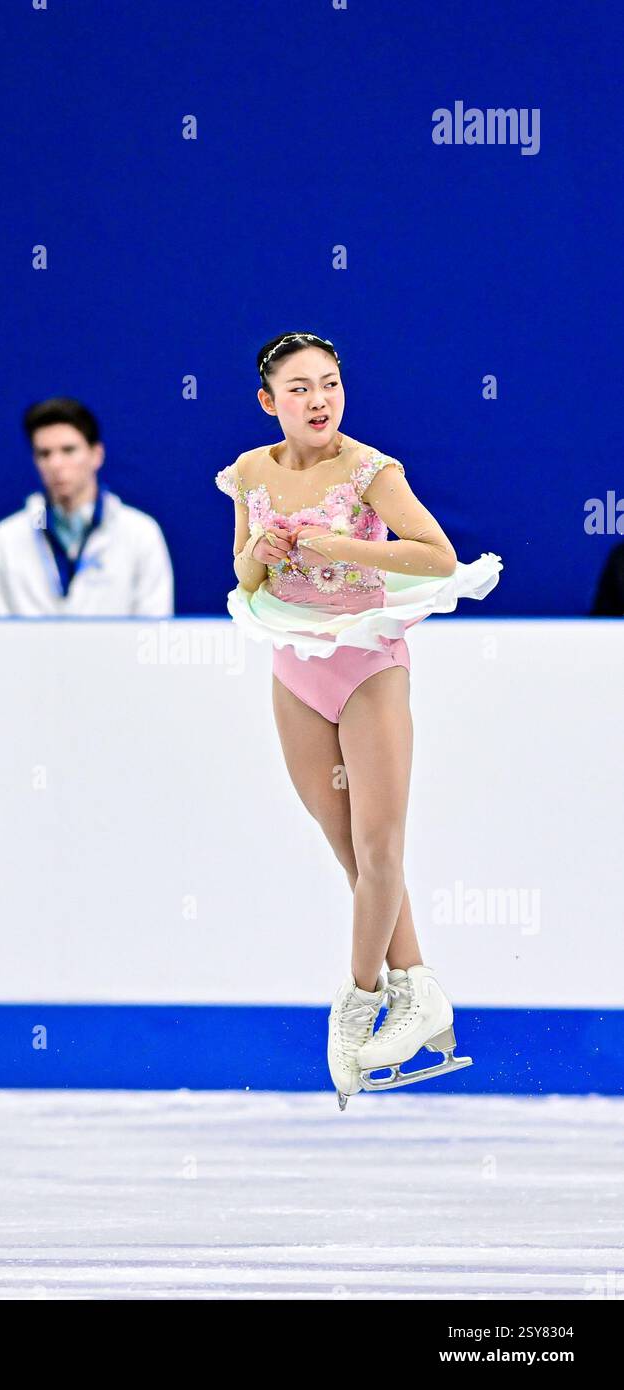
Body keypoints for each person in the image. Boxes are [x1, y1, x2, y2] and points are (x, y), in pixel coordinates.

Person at [215, 332, 502, 1110]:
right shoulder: (249, 472)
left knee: (380, 849)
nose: (320, 400)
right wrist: (264, 546)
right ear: (269, 402)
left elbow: (437, 556)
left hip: (368, 665)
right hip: (294, 669)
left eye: (331, 384)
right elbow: (244, 574)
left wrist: (340, 544)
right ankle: (420, 991)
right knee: (348, 852)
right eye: (300, 388)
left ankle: (358, 1000)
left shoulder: (372, 470)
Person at [0, 398, 174, 616]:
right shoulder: (2, 542)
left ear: (96, 455)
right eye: (44, 454)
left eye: (68, 450)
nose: (56, 464)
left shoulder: (140, 534)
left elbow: (154, 627)